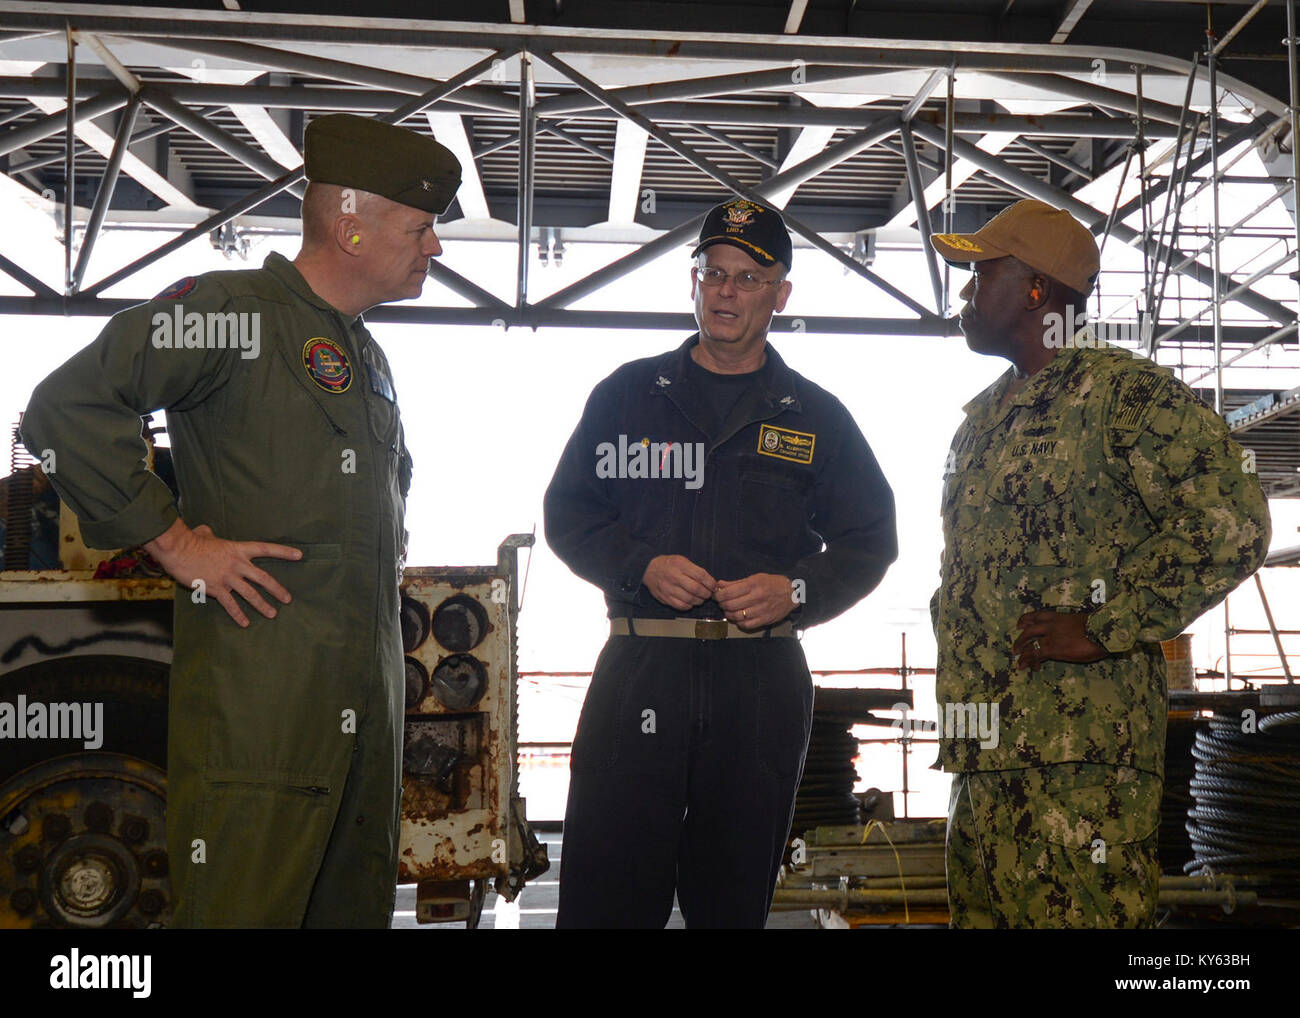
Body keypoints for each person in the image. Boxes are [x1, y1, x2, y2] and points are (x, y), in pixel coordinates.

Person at [20, 113, 461, 928]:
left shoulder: (365, 354)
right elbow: (64, 408)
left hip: (362, 716)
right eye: (421, 227)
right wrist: (177, 542)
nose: (434, 247)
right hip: (262, 713)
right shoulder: (232, 310)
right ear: (349, 224)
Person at [543, 198, 898, 928]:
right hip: (642, 671)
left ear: (781, 295)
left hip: (759, 686)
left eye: (747, 278)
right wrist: (639, 566)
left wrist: (797, 589)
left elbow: (870, 538)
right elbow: (570, 513)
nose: (726, 291)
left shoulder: (814, 416)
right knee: (605, 898)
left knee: (731, 904)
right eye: (713, 275)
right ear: (695, 282)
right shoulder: (628, 398)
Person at [929, 199, 1271, 928]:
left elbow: (1231, 524)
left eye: (980, 273)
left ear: (1034, 290)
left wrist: (1107, 625)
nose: (965, 291)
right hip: (984, 764)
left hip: (1077, 769)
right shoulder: (982, 423)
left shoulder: (1124, 397)